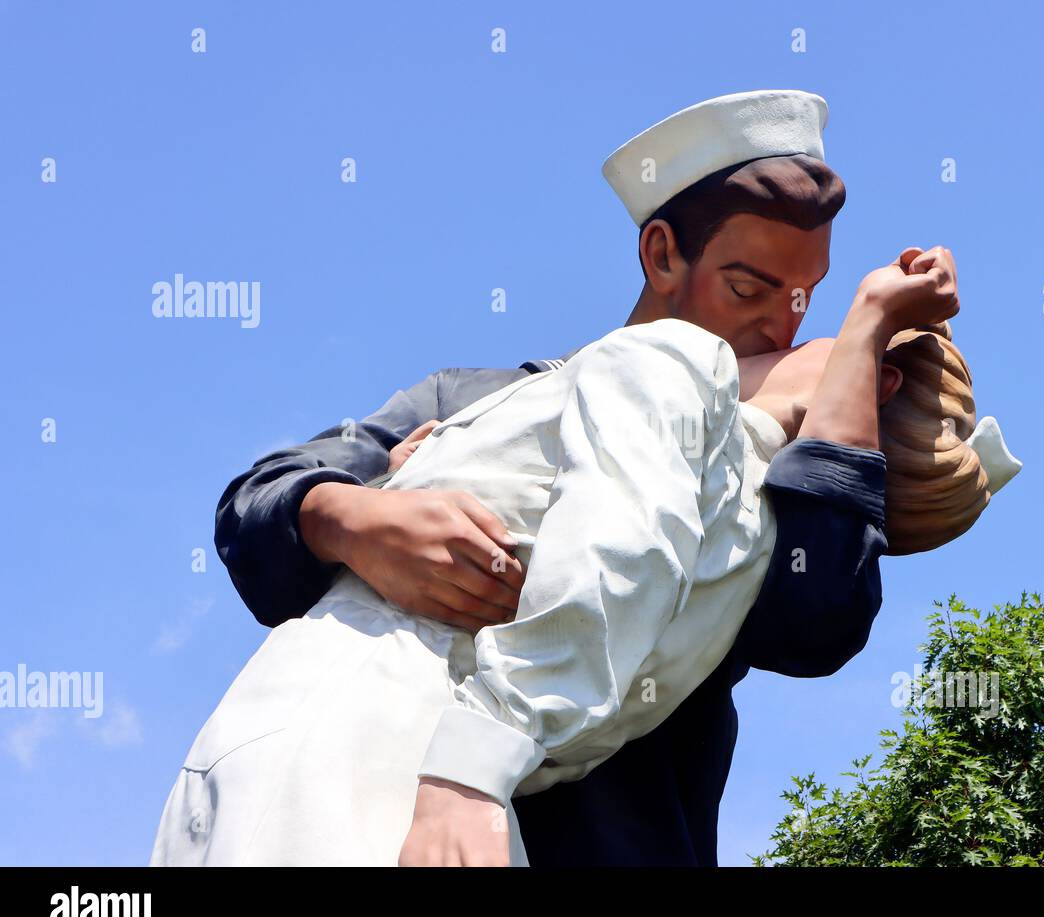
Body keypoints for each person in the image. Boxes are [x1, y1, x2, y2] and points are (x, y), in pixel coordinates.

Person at [207, 90, 962, 866]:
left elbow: (819, 623)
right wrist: (350, 521)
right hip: (372, 811)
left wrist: (858, 357)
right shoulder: (478, 401)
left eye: (805, 299)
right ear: (664, 253)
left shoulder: (776, 457)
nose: (782, 325)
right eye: (749, 287)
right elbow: (256, 503)